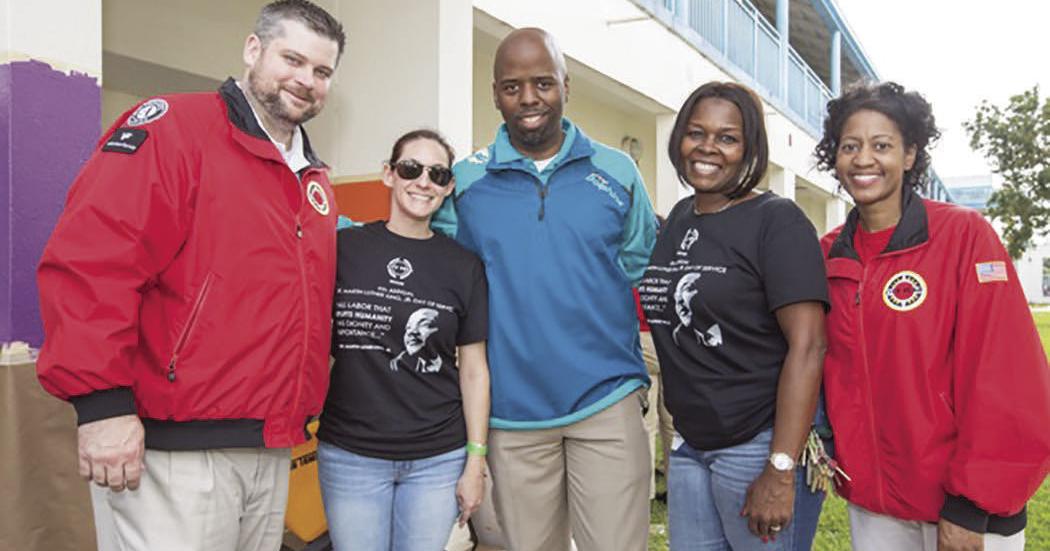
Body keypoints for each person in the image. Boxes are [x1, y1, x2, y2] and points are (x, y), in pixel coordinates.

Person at [34, 2, 345, 549]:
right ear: (254, 50)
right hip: (173, 450)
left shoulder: (313, 179)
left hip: (270, 447)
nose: (305, 80)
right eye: (291, 58)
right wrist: (102, 406)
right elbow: (92, 261)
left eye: (321, 71)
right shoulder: (175, 127)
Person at [432, 27, 657, 551]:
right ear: (494, 94)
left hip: (607, 398)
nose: (529, 99)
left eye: (543, 83)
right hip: (511, 411)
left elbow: (637, 262)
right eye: (512, 87)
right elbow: (439, 269)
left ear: (566, 85)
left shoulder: (616, 171)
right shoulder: (465, 181)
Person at [814, 81, 1050, 551]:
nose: (864, 159)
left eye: (882, 145)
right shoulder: (827, 255)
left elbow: (1005, 374)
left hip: (966, 511)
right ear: (834, 158)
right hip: (875, 505)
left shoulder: (964, 236)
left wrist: (970, 505)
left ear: (909, 156)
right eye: (850, 146)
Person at [637, 81, 829, 551]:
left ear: (750, 148)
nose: (707, 148)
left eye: (727, 137)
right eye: (696, 132)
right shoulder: (681, 216)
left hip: (757, 443)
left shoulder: (777, 221)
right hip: (690, 444)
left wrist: (781, 468)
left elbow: (809, 345)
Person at [317, 129, 490, 551]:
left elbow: (473, 369)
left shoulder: (464, 266)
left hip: (437, 457)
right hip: (351, 453)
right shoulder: (343, 248)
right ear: (388, 174)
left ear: (449, 187)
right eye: (411, 168)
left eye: (438, 174)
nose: (423, 181)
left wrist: (475, 460)